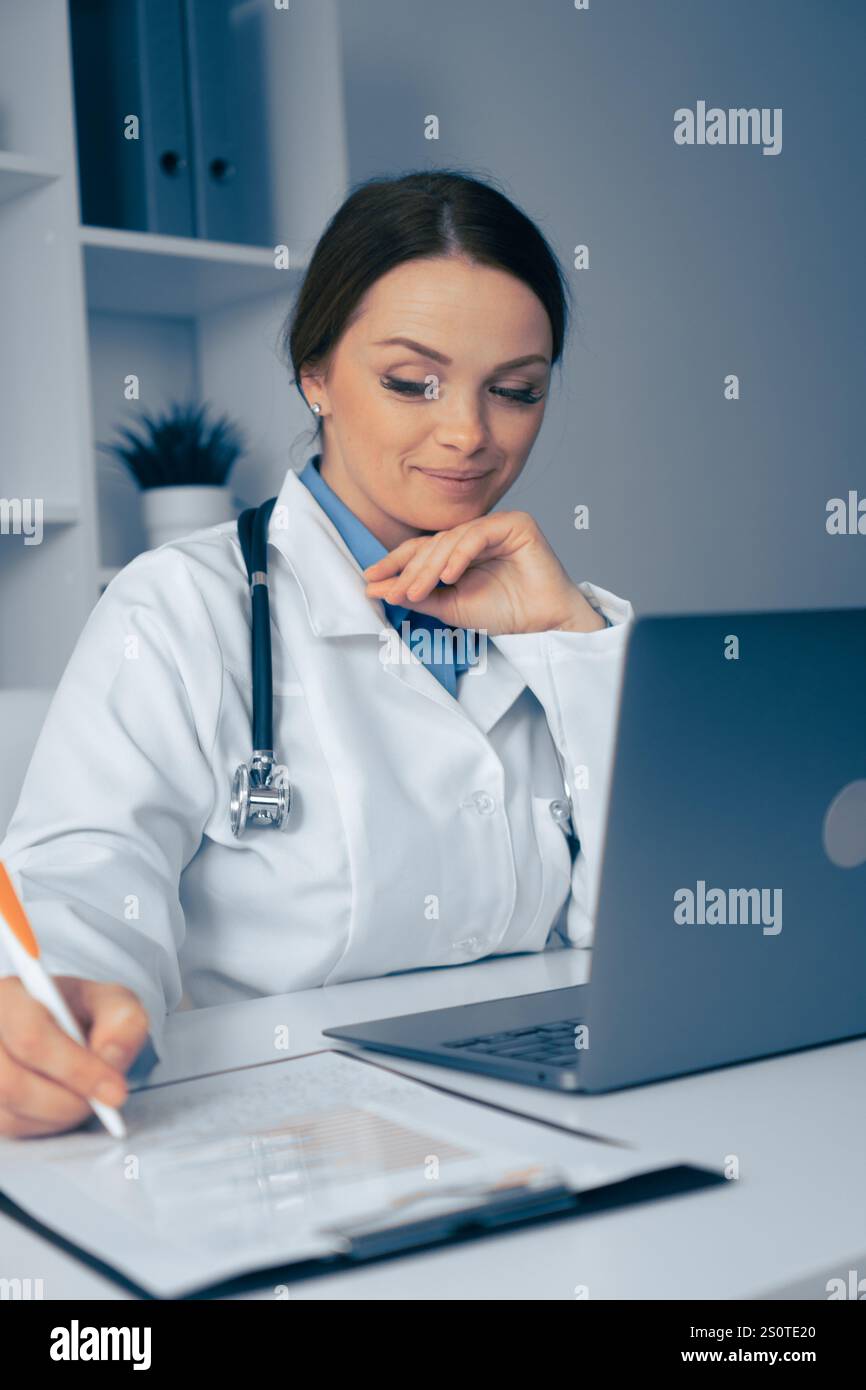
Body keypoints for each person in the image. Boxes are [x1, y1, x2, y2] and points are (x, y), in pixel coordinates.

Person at [0, 169, 633, 1137]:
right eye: (409, 381)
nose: (467, 433)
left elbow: (649, 933)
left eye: (514, 390)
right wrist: (64, 1002)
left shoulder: (561, 622)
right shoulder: (180, 604)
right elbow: (87, 874)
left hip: (537, 1107)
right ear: (315, 374)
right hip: (272, 1126)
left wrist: (573, 646)